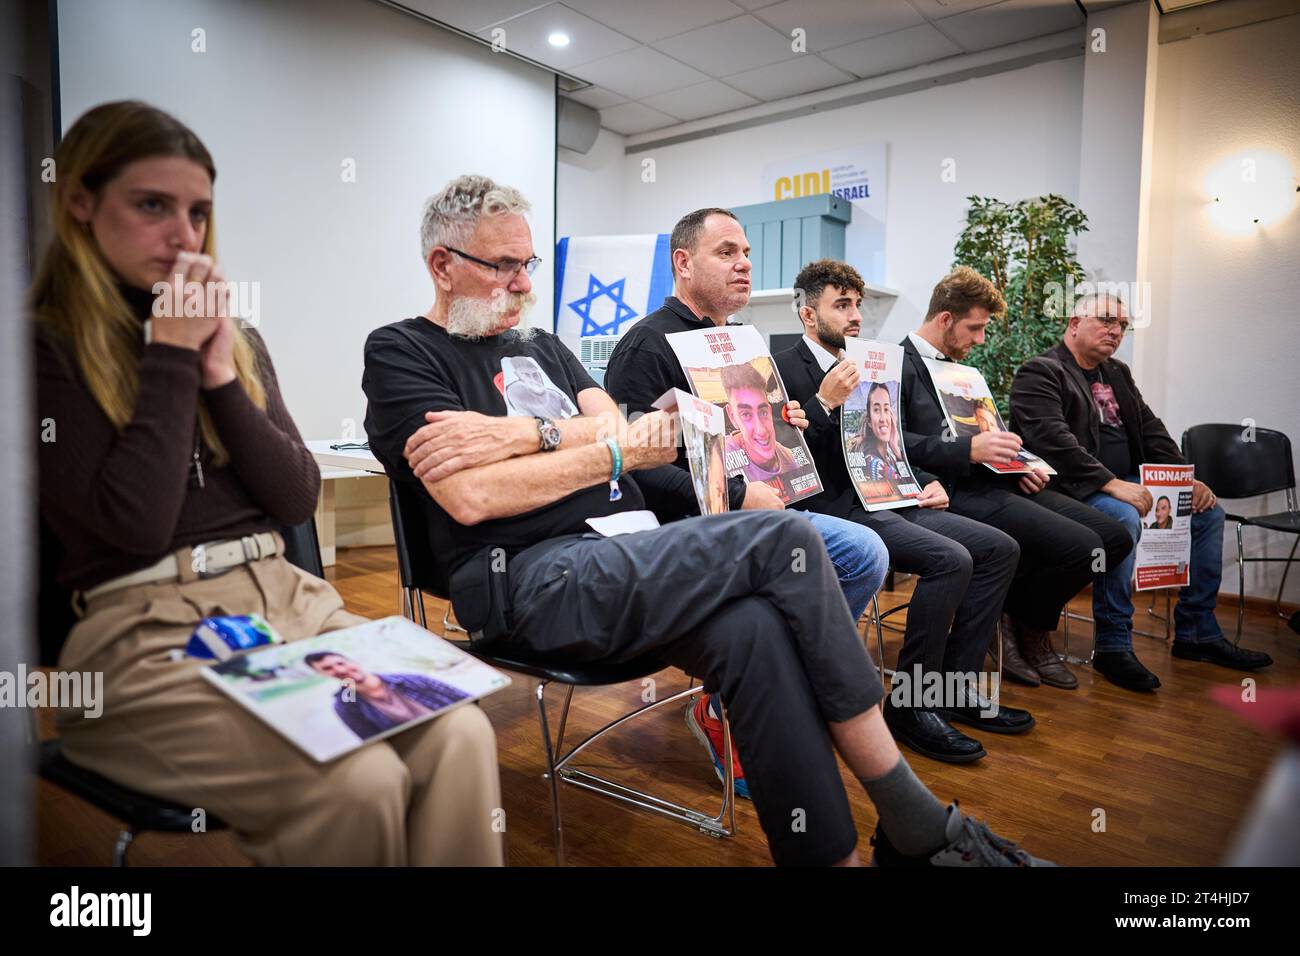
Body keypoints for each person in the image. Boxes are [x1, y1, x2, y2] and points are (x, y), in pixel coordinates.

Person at [363, 175, 1052, 866]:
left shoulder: (542, 342)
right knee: (789, 536)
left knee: (753, 630)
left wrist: (522, 436)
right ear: (443, 264)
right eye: (502, 266)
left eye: (528, 264)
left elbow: (620, 424)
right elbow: (476, 498)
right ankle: (913, 816)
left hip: (627, 548)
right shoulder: (400, 351)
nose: (522, 283)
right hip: (531, 575)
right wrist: (603, 444)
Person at [34, 102, 502, 866]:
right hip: (144, 633)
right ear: (81, 202)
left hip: (285, 601)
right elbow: (133, 529)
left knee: (459, 731)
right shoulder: (43, 348)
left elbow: (292, 499)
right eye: (152, 206)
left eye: (198, 212)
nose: (184, 236)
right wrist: (171, 361)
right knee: (357, 780)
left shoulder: (235, 342)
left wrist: (221, 373)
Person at [604, 209, 891, 792]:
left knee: (864, 552)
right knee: (858, 549)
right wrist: (736, 493)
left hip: (754, 509)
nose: (745, 265)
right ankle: (734, 702)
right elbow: (633, 472)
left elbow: (749, 442)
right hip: (688, 524)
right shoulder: (648, 345)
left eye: (748, 254)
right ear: (683, 264)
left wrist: (786, 429)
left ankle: (767, 694)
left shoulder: (738, 344)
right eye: (727, 252)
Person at [775, 259, 1027, 763]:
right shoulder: (781, 368)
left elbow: (889, 439)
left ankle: (954, 688)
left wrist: (924, 481)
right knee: (950, 559)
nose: (854, 316)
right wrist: (824, 402)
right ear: (808, 315)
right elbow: (783, 461)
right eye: (840, 305)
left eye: (857, 305)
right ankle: (912, 705)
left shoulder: (871, 362)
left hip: (886, 495)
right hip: (833, 509)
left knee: (999, 548)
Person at [1010, 293, 1272, 690]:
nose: (1116, 331)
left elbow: (1150, 430)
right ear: (1075, 323)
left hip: (1129, 482)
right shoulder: (1041, 371)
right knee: (1124, 517)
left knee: (1208, 513)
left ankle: (1196, 631)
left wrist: (1185, 478)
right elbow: (1053, 443)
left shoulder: (1117, 373)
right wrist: (1111, 484)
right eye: (1106, 320)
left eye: (1123, 326)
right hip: (1073, 490)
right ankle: (1114, 646)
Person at [899, 267, 1134, 690]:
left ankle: (1016, 617)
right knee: (1081, 547)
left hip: (995, 482)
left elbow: (987, 433)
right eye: (976, 328)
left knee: (1115, 537)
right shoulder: (896, 365)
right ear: (946, 319)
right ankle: (1029, 628)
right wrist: (967, 452)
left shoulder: (964, 371)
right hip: (951, 490)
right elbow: (891, 442)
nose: (982, 340)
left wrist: (1018, 464)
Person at [304, 651, 470, 739]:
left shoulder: (410, 679)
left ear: (352, 662)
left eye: (340, 663)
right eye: (327, 668)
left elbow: (463, 698)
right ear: (322, 675)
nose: (339, 670)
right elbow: (371, 740)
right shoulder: (345, 706)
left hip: (454, 730)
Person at [718, 362, 799, 481]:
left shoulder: (788, 457)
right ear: (732, 417)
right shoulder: (718, 458)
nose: (761, 431)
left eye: (763, 412)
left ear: (770, 411)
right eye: (746, 414)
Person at [851, 382, 905, 481]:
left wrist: (896, 449)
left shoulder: (890, 457)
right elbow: (904, 482)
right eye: (876, 410)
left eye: (886, 409)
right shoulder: (874, 463)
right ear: (870, 422)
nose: (883, 418)